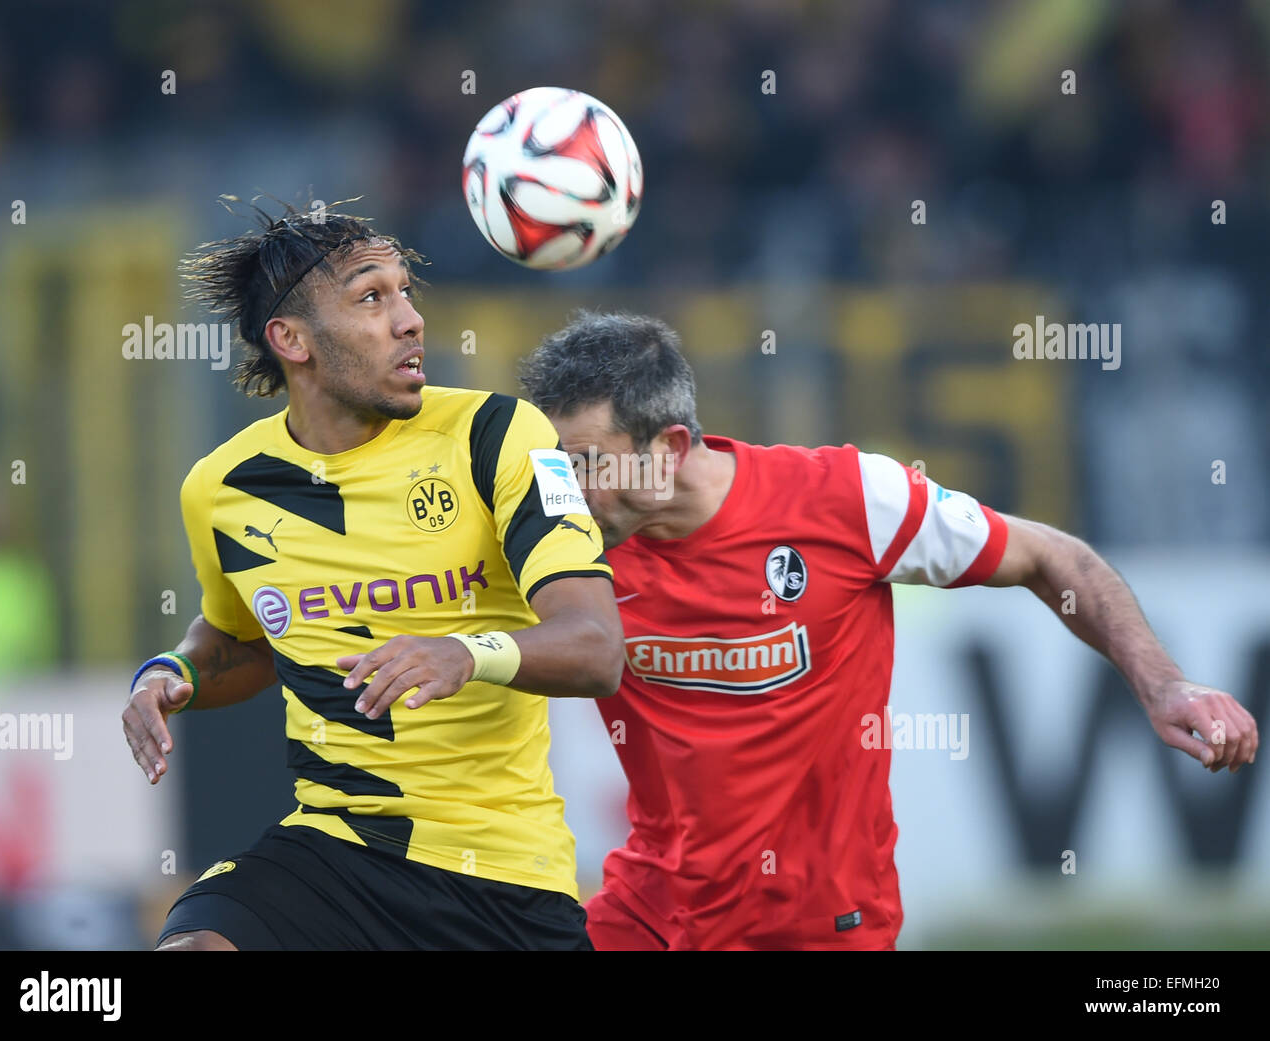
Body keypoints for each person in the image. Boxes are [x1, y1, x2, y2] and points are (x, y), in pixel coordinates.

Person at [518, 310, 1259, 952]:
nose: (566, 489)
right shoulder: (566, 547)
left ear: (670, 448)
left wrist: (1166, 684)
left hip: (821, 926)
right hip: (651, 912)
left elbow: (1050, 555)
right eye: (555, 463)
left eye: (587, 463)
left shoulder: (848, 500)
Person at [121, 205, 623, 951]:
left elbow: (596, 647)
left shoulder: (497, 436)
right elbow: (245, 639)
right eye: (371, 297)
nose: (411, 319)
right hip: (335, 853)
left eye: (406, 291)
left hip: (505, 880)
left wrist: (465, 651)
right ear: (292, 341)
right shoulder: (222, 487)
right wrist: (173, 671)